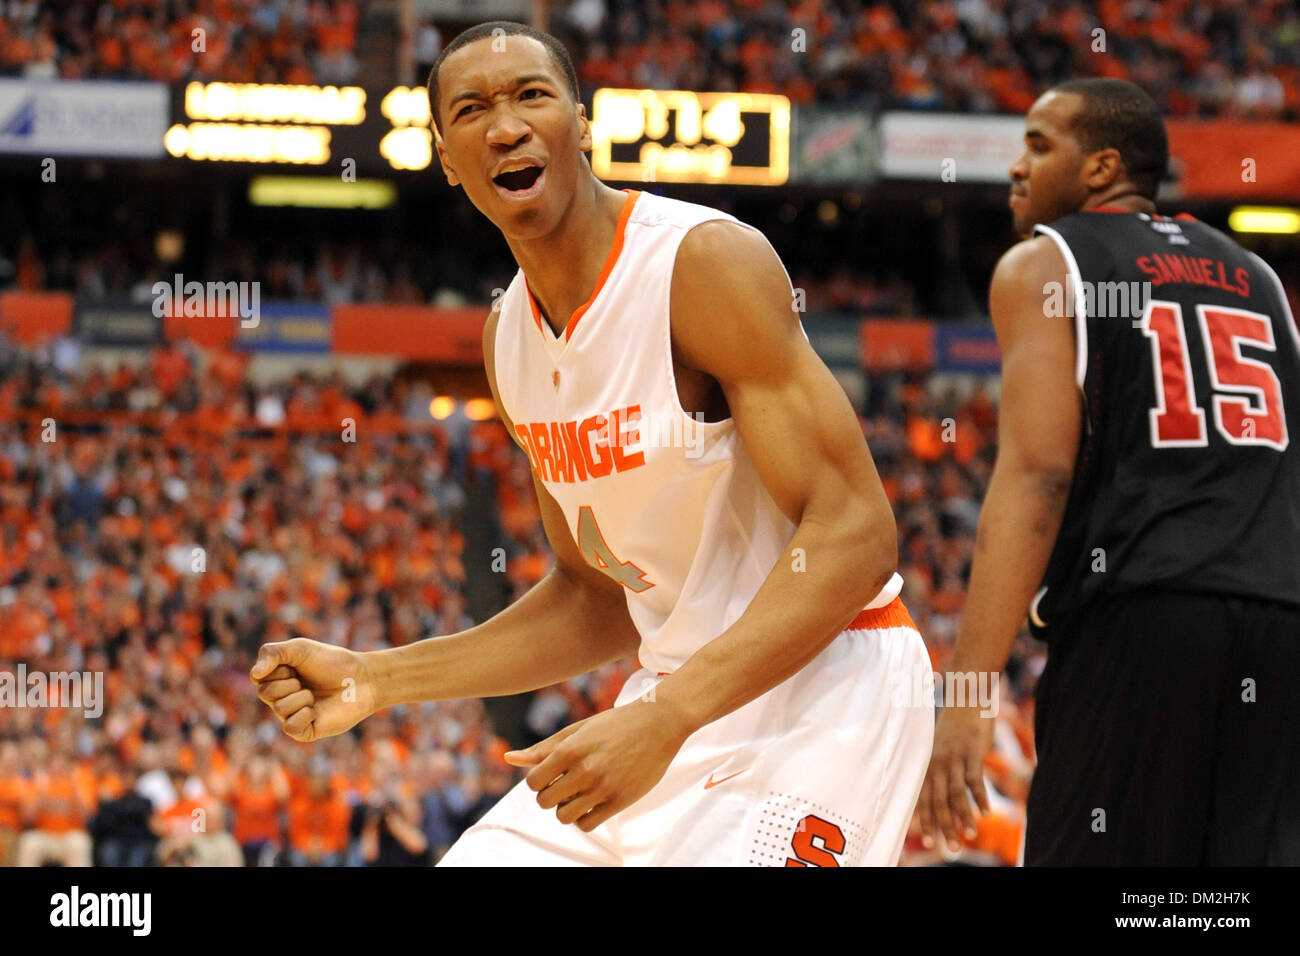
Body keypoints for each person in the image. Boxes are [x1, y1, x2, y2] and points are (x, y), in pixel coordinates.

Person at [252, 20, 933, 867]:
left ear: (580, 123)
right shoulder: (508, 340)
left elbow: (855, 534)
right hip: (677, 698)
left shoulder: (701, 264)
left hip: (825, 686)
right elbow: (595, 597)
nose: (506, 126)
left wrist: (668, 715)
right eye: (472, 109)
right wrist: (375, 678)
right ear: (446, 157)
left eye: (531, 96)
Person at [918, 78, 1300, 865]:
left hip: (1143, 619)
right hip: (1280, 623)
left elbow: (1038, 478)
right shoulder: (1261, 279)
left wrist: (968, 691)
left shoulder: (1047, 263)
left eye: (1038, 145)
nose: (1016, 168)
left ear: (1101, 168)